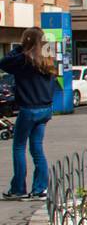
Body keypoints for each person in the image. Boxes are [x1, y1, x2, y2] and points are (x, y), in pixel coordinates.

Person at [2, 27, 59, 200]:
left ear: (27, 41)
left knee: (19, 147)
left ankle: (18, 189)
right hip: (45, 110)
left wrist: (20, 48)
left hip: (29, 109)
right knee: (37, 148)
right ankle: (40, 189)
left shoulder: (24, 60)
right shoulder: (48, 60)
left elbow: (3, 63)